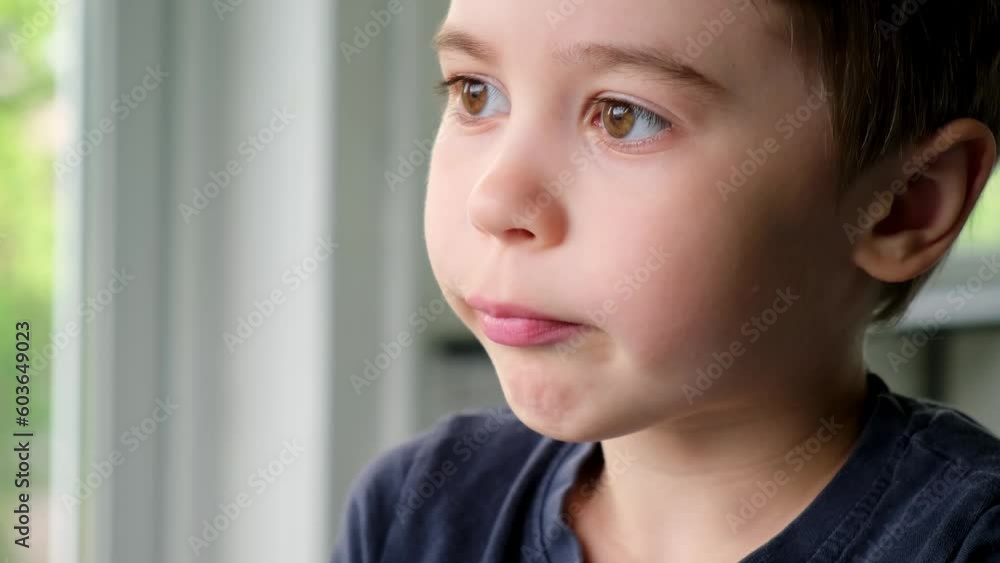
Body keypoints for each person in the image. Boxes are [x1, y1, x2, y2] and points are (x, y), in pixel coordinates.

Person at [333, 1, 1000, 561]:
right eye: (476, 93)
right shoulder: (417, 513)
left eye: (623, 116)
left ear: (907, 201)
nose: (495, 200)